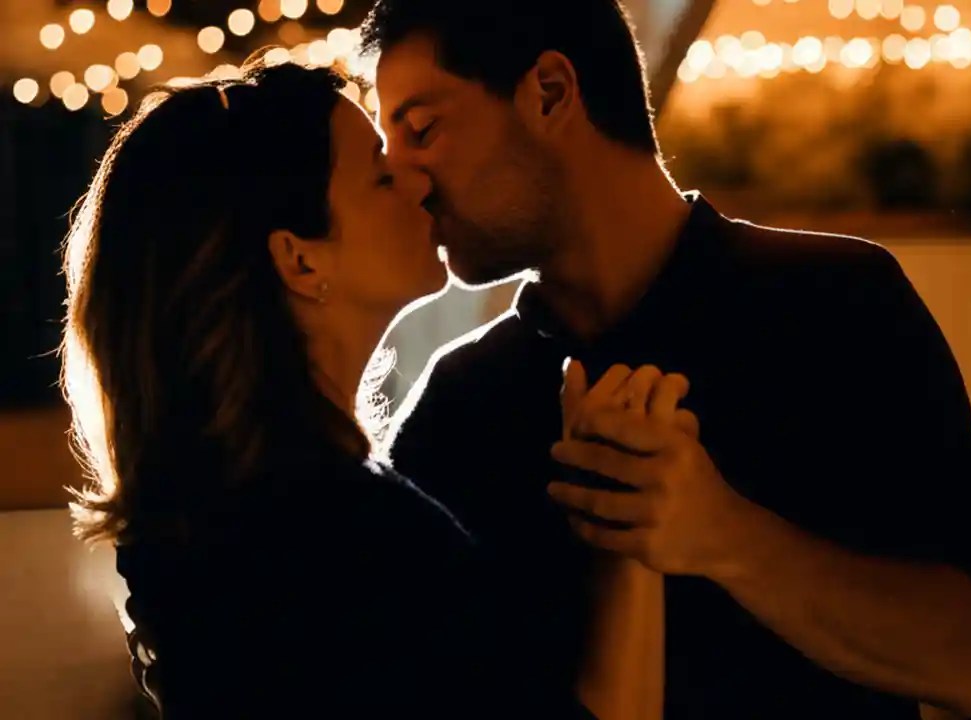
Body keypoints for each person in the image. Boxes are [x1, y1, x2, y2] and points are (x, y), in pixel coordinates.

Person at [366, 1, 971, 717]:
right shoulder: (462, 399)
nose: (405, 180)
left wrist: (725, 536)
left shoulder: (837, 302)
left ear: (550, 93)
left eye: (422, 130)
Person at [59, 60, 657, 718]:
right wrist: (631, 507)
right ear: (300, 259)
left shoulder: (201, 518)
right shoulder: (353, 546)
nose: (417, 179)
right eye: (380, 174)